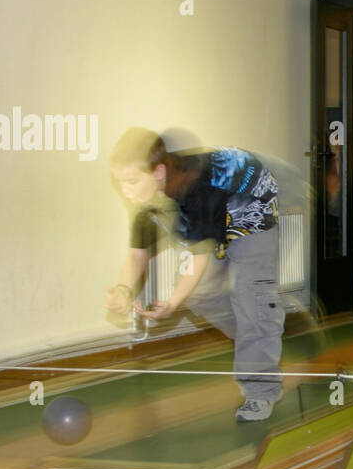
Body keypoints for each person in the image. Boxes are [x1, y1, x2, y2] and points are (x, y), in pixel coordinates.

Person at [108, 127, 285, 421]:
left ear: (158, 172)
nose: (125, 191)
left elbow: (199, 257)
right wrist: (123, 290)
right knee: (202, 295)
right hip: (217, 206)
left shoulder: (194, 190)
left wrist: (173, 303)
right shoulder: (146, 203)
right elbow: (138, 253)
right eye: (119, 183)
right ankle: (259, 334)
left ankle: (261, 390)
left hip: (250, 198)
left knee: (249, 294)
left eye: (130, 182)